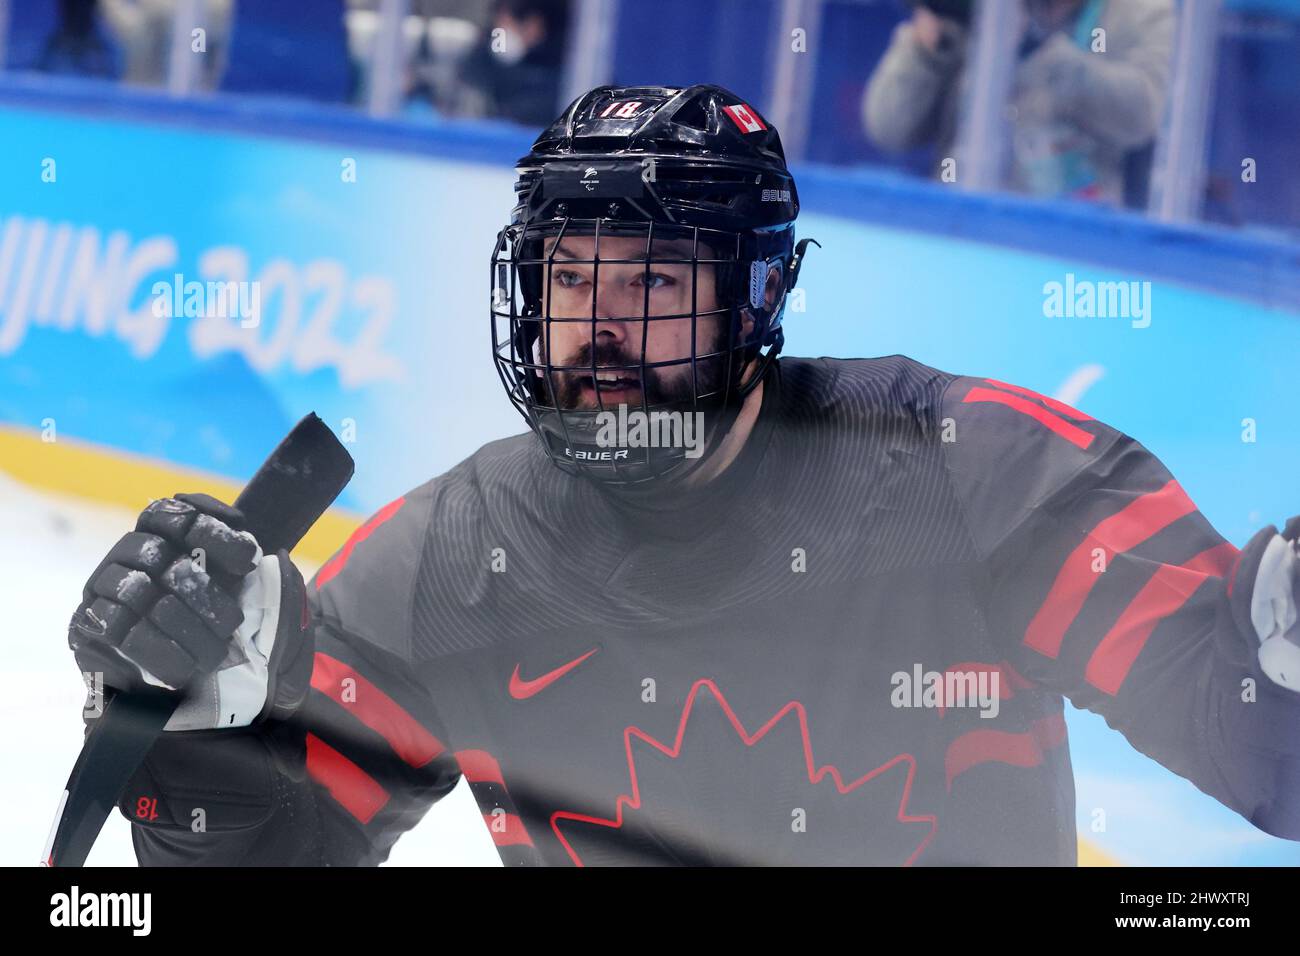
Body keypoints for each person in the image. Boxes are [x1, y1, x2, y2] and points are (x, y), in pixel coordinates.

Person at [68, 84, 1300, 866]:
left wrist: (1280, 666)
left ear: (756, 295)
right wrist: (199, 746)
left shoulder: (970, 471)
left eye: (653, 282)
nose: (599, 327)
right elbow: (280, 855)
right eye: (569, 281)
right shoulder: (443, 558)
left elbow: (1251, 742)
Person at [863, 0, 1175, 206]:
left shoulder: (1139, 10)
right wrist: (927, 49)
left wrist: (1035, 48)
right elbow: (888, 128)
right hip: (958, 230)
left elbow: (1143, 114)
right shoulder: (975, 7)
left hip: (1075, 253)